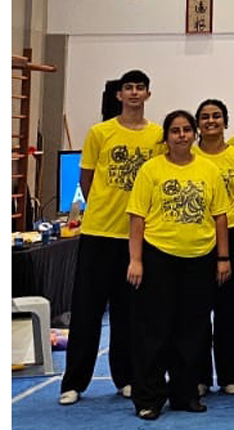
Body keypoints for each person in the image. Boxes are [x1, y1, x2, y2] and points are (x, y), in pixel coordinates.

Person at [59, 69, 164, 406]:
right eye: (128, 88)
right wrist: (104, 207)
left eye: (140, 88)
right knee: (87, 309)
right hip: (99, 232)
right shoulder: (100, 133)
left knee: (129, 311)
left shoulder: (158, 136)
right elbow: (87, 180)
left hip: (138, 236)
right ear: (119, 95)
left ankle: (127, 377)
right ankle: (74, 381)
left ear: (148, 95)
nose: (134, 93)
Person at [125, 110, 231, 420]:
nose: (182, 135)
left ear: (195, 133)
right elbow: (137, 217)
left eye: (187, 130)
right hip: (159, 256)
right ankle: (149, 398)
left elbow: (220, 216)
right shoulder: (151, 170)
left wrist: (223, 258)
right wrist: (136, 259)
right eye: (175, 130)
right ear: (167, 137)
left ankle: (185, 394)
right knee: (155, 330)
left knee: (193, 330)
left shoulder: (209, 170)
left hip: (200, 258)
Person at [194, 98, 234, 396]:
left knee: (231, 311)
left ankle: (231, 374)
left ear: (226, 122)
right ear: (197, 124)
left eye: (217, 116)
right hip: (199, 239)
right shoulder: (187, 157)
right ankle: (200, 376)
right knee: (199, 310)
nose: (211, 121)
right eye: (205, 117)